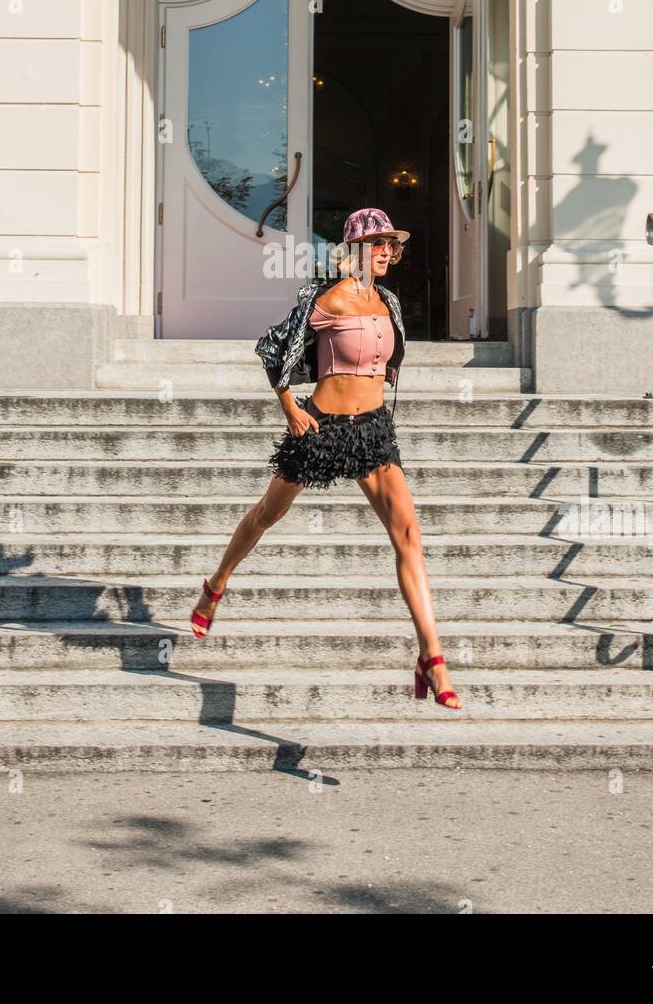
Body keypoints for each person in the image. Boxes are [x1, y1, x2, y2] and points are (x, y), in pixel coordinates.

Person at [188, 207, 462, 710]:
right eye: (377, 243)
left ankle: (432, 656)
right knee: (267, 514)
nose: (387, 252)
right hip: (322, 428)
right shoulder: (324, 297)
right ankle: (217, 583)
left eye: (392, 245)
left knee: (408, 536)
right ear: (353, 250)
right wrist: (290, 407)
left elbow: (388, 360)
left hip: (374, 432)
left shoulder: (390, 303)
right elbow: (273, 350)